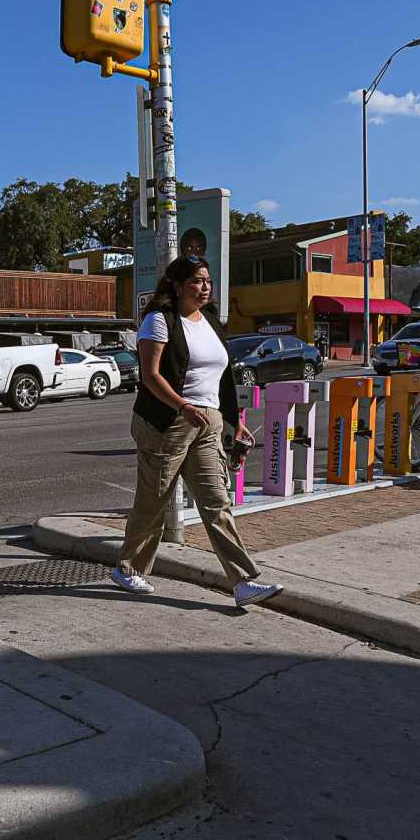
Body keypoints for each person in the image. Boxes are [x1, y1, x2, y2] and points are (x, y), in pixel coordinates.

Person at [113, 255, 282, 606]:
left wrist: (235, 425)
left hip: (209, 422)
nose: (205, 287)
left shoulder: (210, 323)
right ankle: (128, 569)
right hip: (168, 421)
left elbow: (223, 379)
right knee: (154, 501)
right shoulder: (159, 321)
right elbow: (151, 376)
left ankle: (242, 583)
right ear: (177, 285)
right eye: (196, 281)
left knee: (216, 500)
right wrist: (183, 407)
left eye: (207, 280)